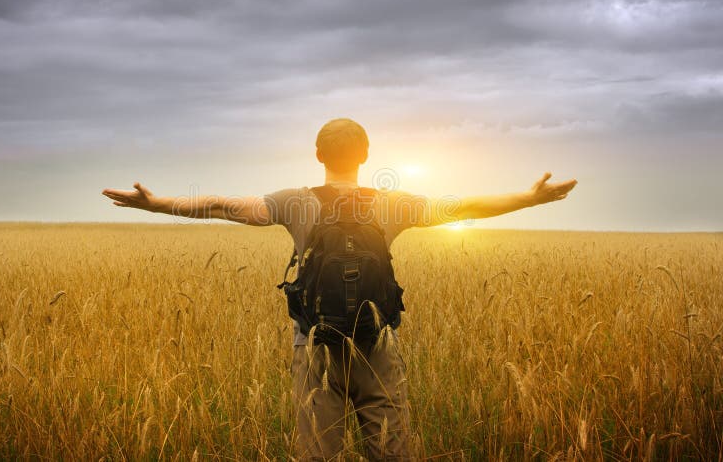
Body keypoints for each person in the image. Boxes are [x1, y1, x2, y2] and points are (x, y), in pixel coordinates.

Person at [102, 118, 577, 460]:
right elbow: (464, 207)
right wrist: (529, 198)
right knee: (391, 452)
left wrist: (157, 203)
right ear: (366, 156)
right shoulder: (393, 204)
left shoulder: (295, 202)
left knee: (317, 454)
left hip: (314, 347)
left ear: (318, 155)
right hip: (377, 346)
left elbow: (223, 205)